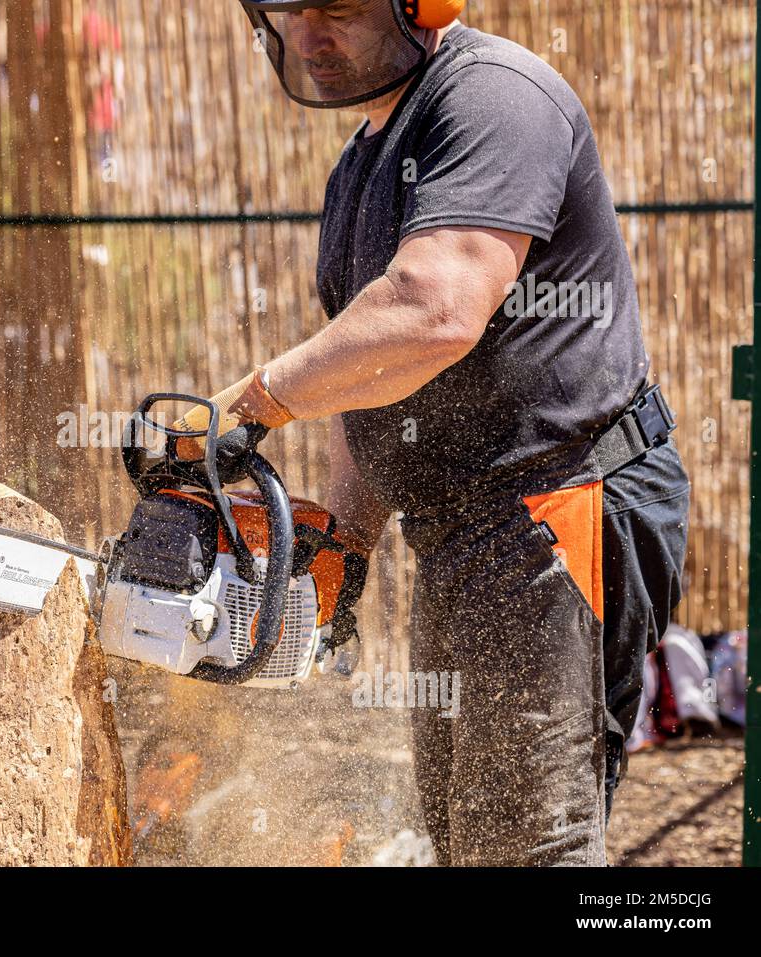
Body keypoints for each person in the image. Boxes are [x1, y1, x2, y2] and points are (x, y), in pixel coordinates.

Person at [184, 0, 690, 865]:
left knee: (532, 839)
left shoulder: (492, 99)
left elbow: (432, 310)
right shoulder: (362, 165)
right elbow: (372, 378)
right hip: (464, 529)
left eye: (336, 9)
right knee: (466, 830)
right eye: (291, 13)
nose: (311, 36)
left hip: (556, 504)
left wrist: (254, 401)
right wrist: (344, 536)